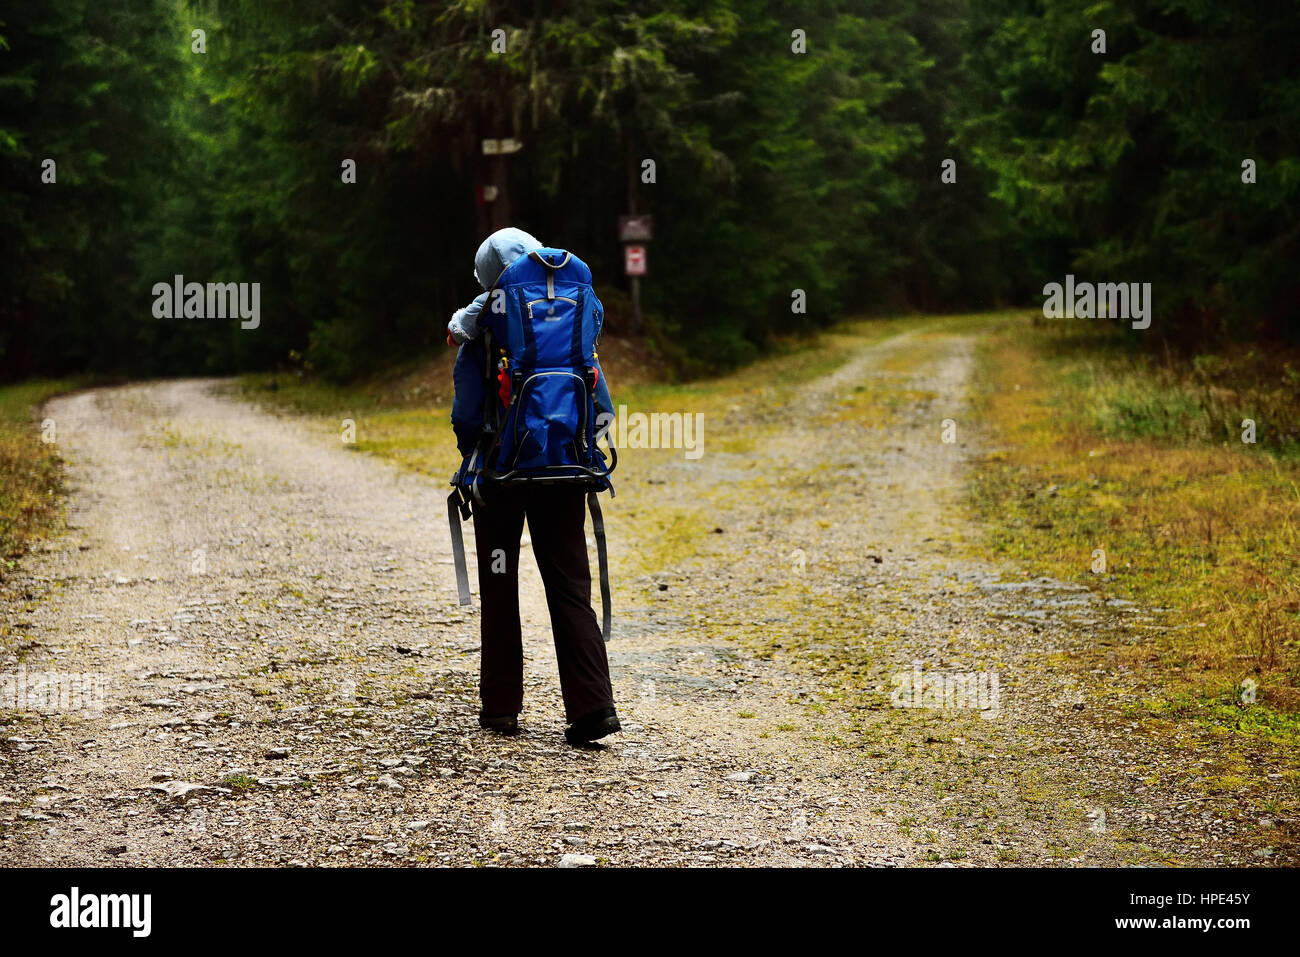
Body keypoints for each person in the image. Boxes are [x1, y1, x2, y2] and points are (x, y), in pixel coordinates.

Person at [447, 227, 620, 746]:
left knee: (500, 588)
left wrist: (470, 458)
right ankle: (592, 708)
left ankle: (502, 709)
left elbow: (466, 412)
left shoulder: (484, 324)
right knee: (570, 588)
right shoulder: (570, 320)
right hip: (565, 473)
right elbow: (603, 408)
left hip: (501, 475)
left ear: (486, 274)